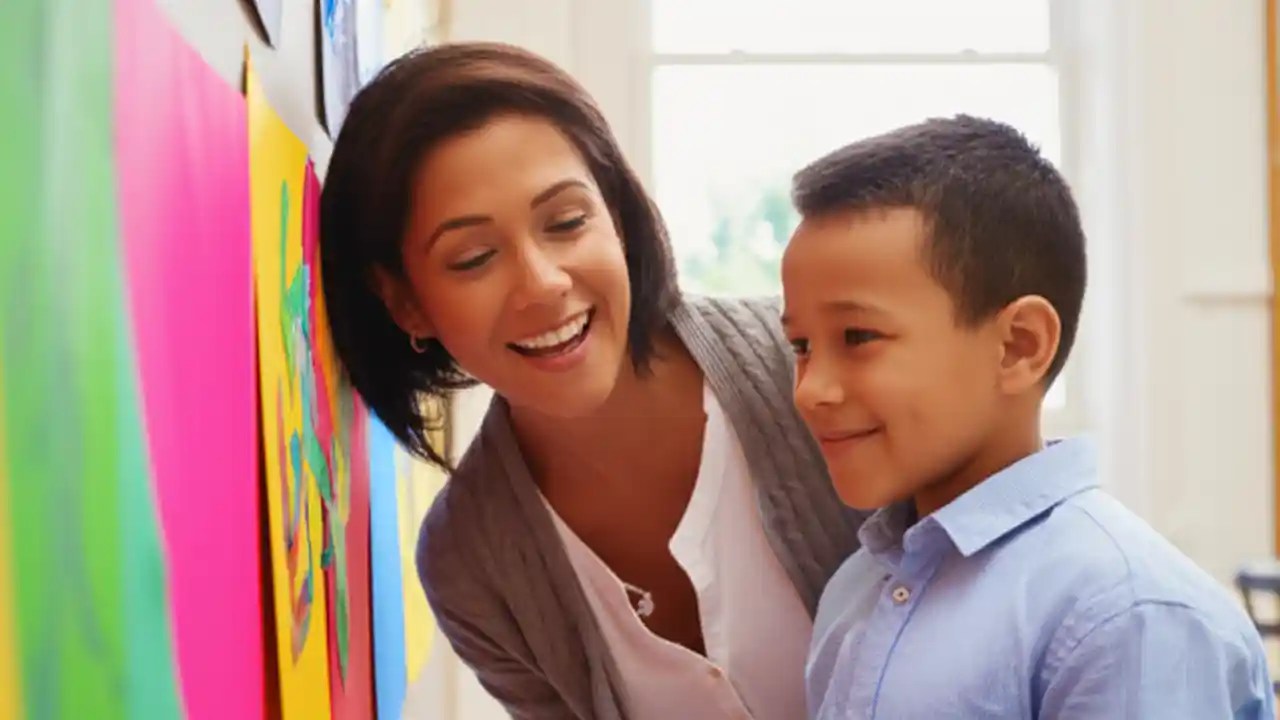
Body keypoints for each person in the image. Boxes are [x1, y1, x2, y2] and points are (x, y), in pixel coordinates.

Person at [320, 42, 867, 719]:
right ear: (405, 302)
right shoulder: (470, 561)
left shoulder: (812, 370)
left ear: (616, 213)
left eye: (567, 221)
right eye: (474, 257)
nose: (543, 283)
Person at [781, 115, 1275, 719]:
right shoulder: (855, 590)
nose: (811, 391)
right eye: (801, 346)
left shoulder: (1126, 617)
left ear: (1018, 345)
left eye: (858, 336)